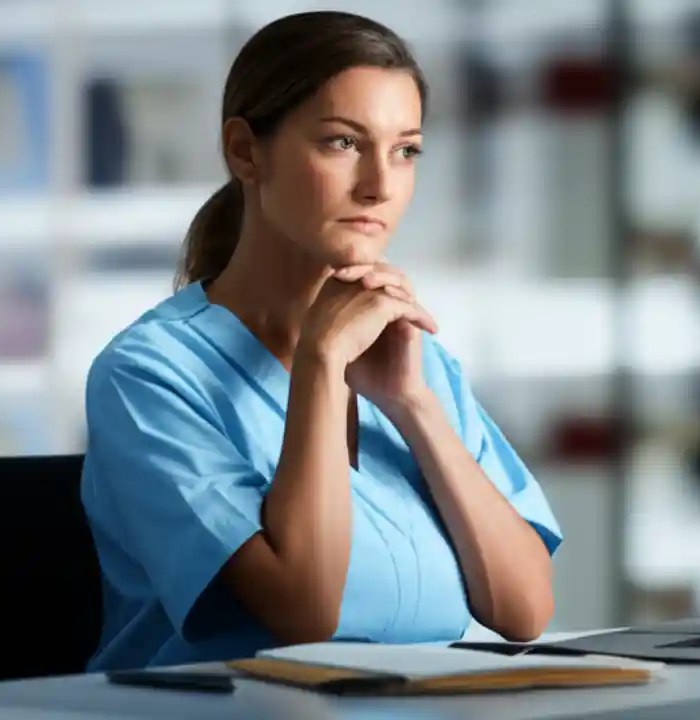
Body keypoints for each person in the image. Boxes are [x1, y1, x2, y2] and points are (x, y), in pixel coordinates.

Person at [80, 11, 561, 672]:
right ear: (245, 152)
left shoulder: (419, 366)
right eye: (343, 143)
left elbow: (525, 611)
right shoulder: (147, 375)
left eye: (406, 150)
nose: (380, 186)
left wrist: (413, 406)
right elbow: (305, 616)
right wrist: (321, 364)